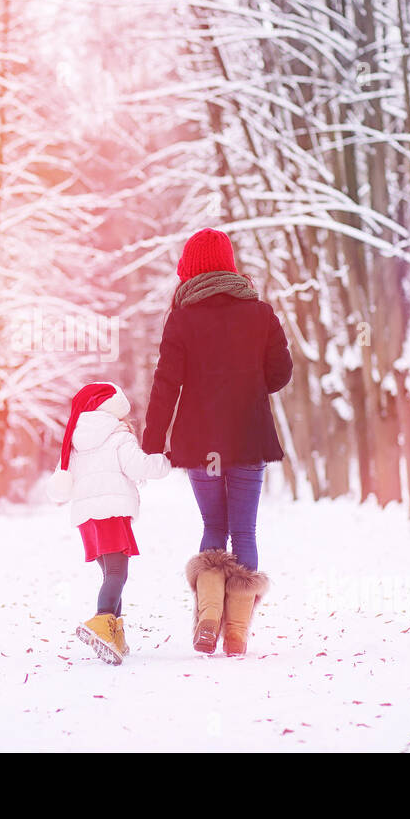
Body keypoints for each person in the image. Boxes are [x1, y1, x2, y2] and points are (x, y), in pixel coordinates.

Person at [142, 227, 293, 656]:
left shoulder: (182, 317)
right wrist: (246, 380)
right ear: (229, 264)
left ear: (190, 269)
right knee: (244, 529)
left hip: (200, 444)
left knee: (213, 526)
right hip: (247, 437)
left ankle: (208, 618)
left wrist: (153, 441)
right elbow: (280, 374)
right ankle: (238, 633)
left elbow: (165, 384)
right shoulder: (260, 313)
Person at [48, 382, 171, 665]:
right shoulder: (117, 435)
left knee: (112, 574)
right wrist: (165, 461)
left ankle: (114, 633)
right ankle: (102, 622)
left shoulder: (75, 438)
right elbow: (139, 466)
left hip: (87, 518)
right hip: (112, 511)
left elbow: (61, 483)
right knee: (118, 573)